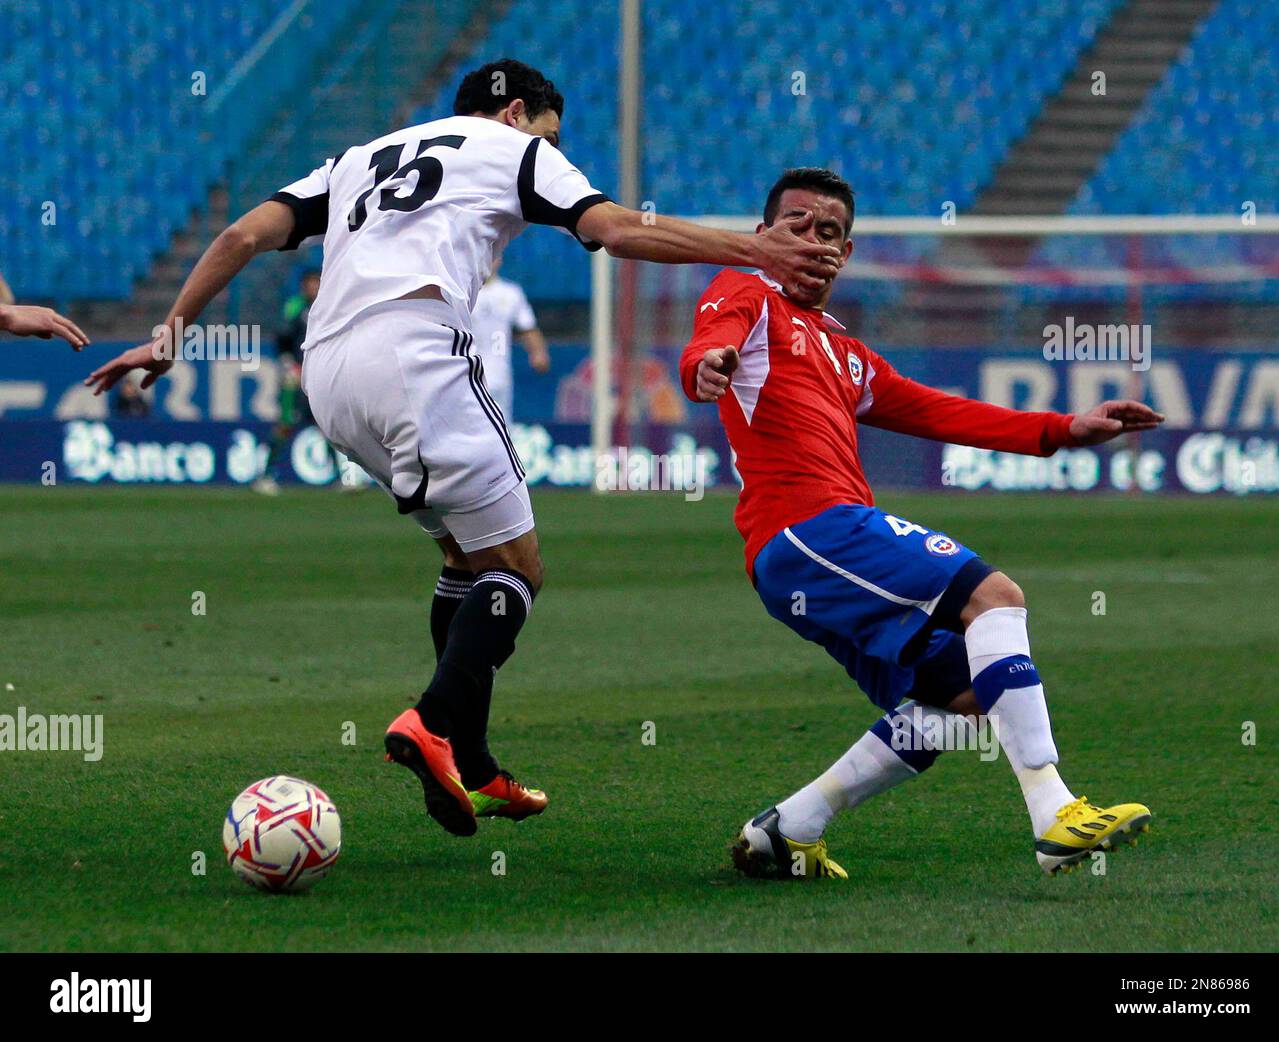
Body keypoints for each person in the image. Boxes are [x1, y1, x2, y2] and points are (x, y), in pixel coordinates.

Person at [84, 60, 837, 840]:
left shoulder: (355, 161)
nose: (555, 148)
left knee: (465, 560)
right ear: (515, 111)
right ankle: (433, 721)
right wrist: (757, 253)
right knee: (518, 570)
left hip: (331, 378)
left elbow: (242, 235)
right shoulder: (514, 149)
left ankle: (473, 765)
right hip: (416, 356)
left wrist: (168, 337)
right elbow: (613, 229)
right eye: (551, 133)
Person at [678, 168, 1164, 878]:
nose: (814, 240)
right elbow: (711, 339)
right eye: (797, 225)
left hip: (811, 558)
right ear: (763, 234)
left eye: (830, 232)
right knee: (995, 597)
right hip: (809, 530)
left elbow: (938, 411)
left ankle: (790, 827)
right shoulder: (748, 293)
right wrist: (705, 364)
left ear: (845, 253)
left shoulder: (845, 353)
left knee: (964, 696)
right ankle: (1055, 812)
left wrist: (1063, 428)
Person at [253, 270, 326, 494]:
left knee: (327, 425)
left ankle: (347, 478)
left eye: (316, 283)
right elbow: (282, 336)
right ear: (304, 286)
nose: (313, 287)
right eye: (310, 283)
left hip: (320, 375)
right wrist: (288, 363)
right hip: (295, 375)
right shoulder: (295, 306)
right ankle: (265, 476)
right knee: (285, 423)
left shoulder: (328, 305)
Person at [469, 258, 548, 424]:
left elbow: (528, 327)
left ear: (500, 260)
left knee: (500, 424)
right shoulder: (463, 291)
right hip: (467, 373)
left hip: (499, 374)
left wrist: (538, 353)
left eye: (493, 256)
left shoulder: (511, 293)